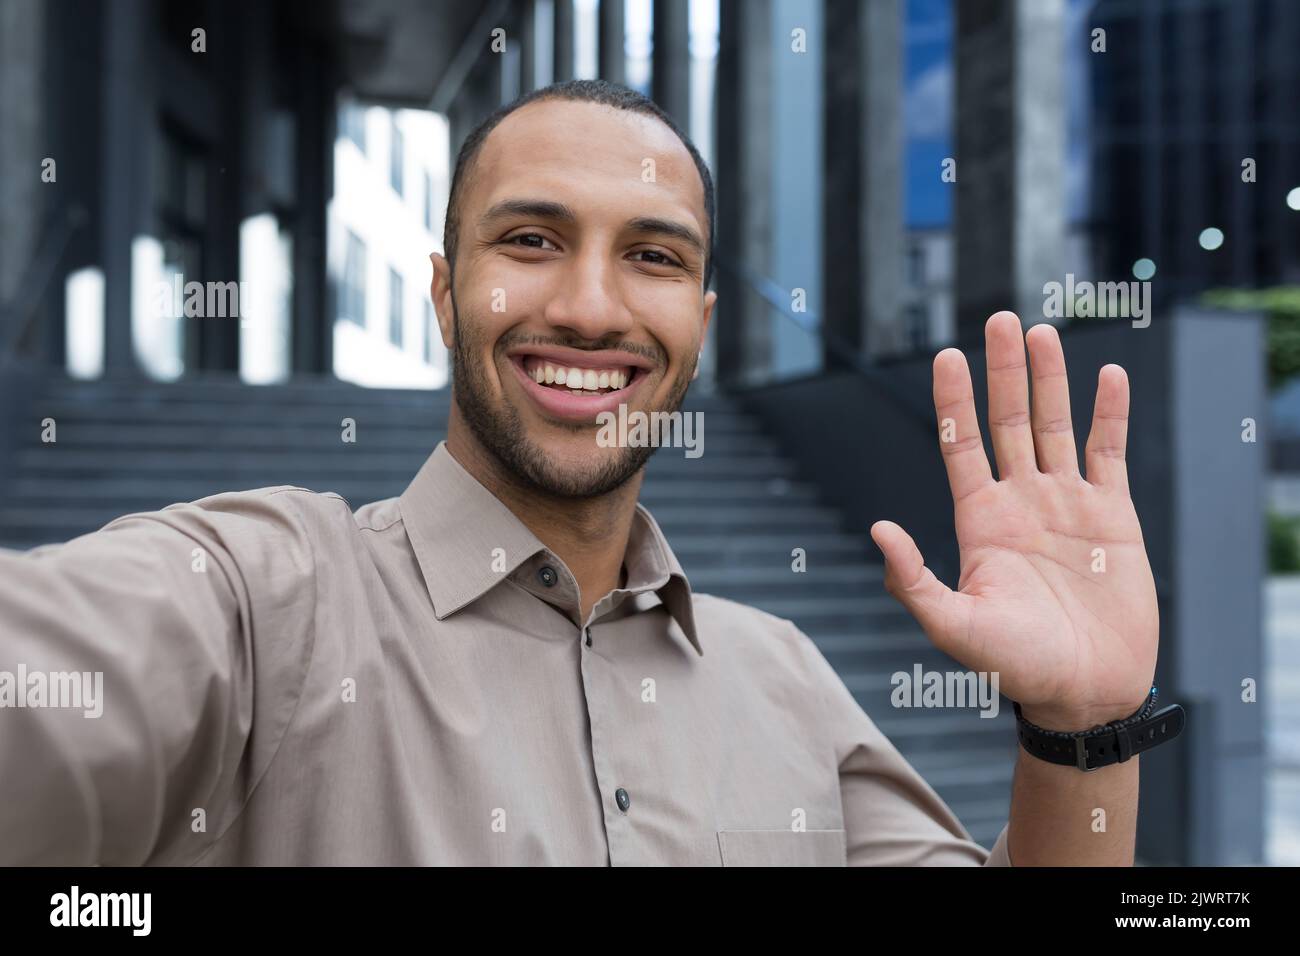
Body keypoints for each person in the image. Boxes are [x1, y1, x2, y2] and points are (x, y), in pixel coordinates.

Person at [0, 80, 1159, 866]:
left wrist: (1080, 731)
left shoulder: (784, 678)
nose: (591, 308)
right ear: (446, 292)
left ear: (698, 323)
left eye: (651, 257)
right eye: (530, 239)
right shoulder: (264, 599)